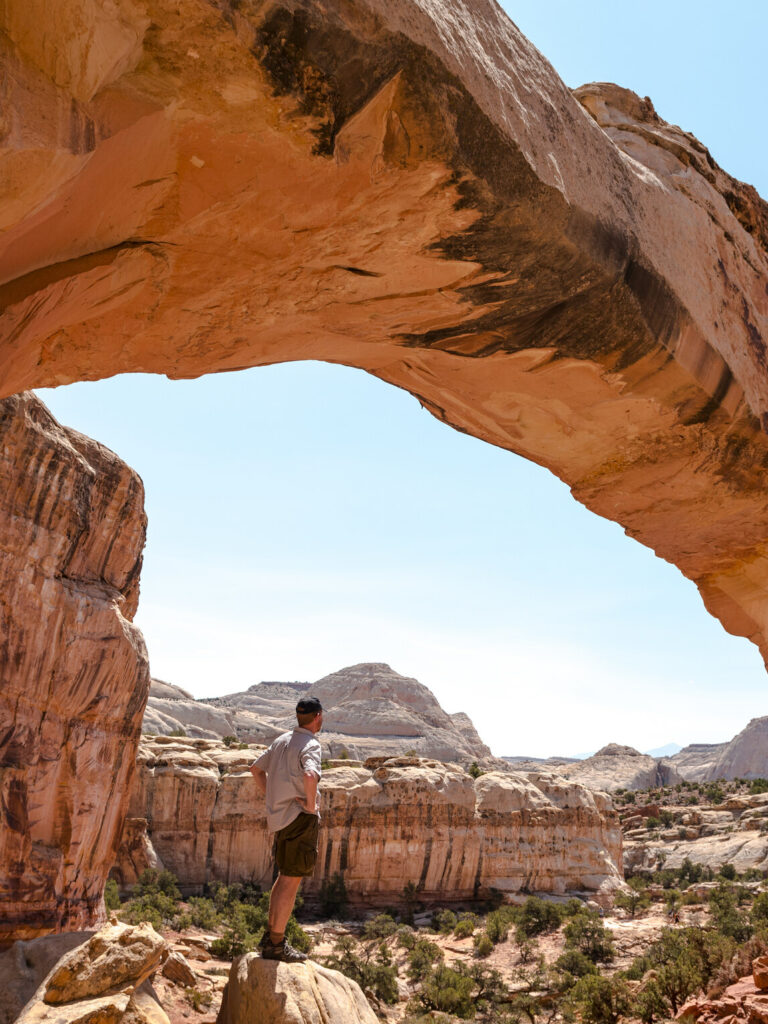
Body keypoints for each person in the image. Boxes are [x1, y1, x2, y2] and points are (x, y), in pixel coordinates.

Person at [249, 696, 323, 963]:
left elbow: (256, 770)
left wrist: (273, 797)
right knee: (291, 883)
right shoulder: (311, 744)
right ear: (318, 717)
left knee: (283, 879)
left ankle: (272, 938)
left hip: (280, 819)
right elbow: (310, 775)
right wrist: (311, 805)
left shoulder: (280, 741)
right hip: (299, 820)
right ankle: (277, 944)